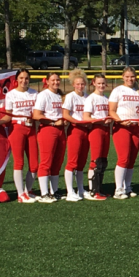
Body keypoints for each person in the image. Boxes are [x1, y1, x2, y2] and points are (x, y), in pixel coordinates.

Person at [1, 69, 38, 203]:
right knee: (19, 162)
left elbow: (37, 112)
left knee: (34, 164)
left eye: (26, 78)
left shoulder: (34, 93)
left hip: (31, 128)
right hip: (17, 128)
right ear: (16, 79)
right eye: (21, 78)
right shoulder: (11, 94)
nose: (24, 80)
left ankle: (28, 190)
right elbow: (8, 115)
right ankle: (20, 193)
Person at [109, 67, 139, 199]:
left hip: (136, 127)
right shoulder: (117, 90)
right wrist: (120, 121)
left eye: (132, 77)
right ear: (123, 77)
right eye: (127, 76)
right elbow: (112, 110)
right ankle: (118, 189)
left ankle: (127, 187)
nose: (130, 79)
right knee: (123, 158)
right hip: (122, 127)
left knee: (132, 159)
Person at [33, 72, 66, 203]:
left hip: (61, 130)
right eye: (53, 80)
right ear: (47, 81)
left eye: (57, 80)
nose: (56, 82)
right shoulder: (43, 95)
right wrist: (52, 121)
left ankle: (54, 190)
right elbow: (36, 115)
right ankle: (44, 193)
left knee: (57, 161)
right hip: (48, 129)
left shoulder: (61, 96)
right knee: (46, 161)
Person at [62, 69, 90, 201]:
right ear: (73, 84)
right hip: (75, 130)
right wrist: (78, 122)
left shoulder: (88, 97)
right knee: (72, 161)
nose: (80, 86)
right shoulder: (70, 96)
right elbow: (66, 114)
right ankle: (69, 191)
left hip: (86, 131)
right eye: (78, 84)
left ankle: (80, 189)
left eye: (82, 84)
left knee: (82, 162)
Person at [82, 74, 112, 200]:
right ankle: (93, 191)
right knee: (96, 160)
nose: (101, 86)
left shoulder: (106, 98)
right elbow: (86, 117)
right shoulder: (91, 98)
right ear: (93, 83)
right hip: (96, 129)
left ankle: (99, 188)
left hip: (105, 129)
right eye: (99, 83)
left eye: (103, 83)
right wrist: (99, 120)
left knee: (103, 160)